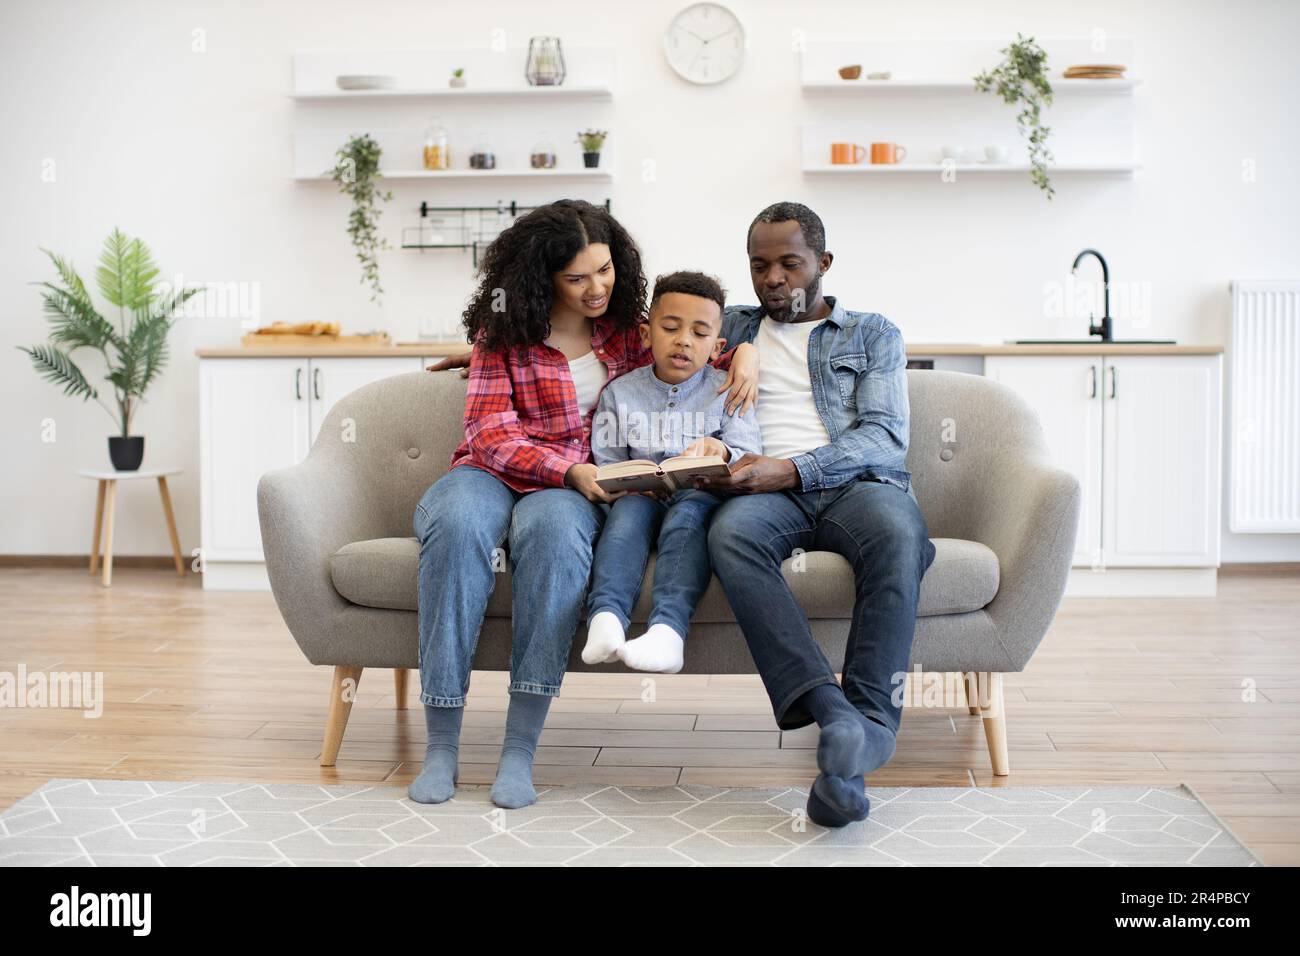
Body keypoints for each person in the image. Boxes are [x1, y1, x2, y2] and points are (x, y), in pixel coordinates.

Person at [695, 201, 937, 829]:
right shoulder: (732, 328)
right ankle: (838, 718)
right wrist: (493, 355)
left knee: (899, 534)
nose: (773, 278)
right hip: (766, 497)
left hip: (856, 485)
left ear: (823, 264)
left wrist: (794, 467)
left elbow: (885, 437)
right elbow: (632, 342)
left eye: (789, 263)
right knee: (729, 536)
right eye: (759, 265)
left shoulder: (872, 332)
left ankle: (871, 719)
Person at [409, 199, 649, 810]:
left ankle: (519, 750)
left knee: (552, 538)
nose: (596, 287)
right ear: (542, 278)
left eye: (605, 269)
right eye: (577, 278)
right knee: (460, 524)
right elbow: (490, 434)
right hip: (495, 470)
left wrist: (744, 351)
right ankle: (441, 746)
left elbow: (693, 347)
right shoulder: (504, 330)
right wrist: (565, 467)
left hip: (575, 488)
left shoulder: (628, 330)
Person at [582, 271, 763, 674]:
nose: (684, 340)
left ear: (717, 347)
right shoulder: (619, 392)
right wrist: (628, 480)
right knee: (626, 517)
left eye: (700, 334)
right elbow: (607, 458)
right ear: (646, 335)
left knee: (687, 517)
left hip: (699, 494)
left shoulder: (726, 386)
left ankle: (668, 630)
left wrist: (723, 448)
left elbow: (751, 451)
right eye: (670, 328)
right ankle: (606, 619)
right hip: (639, 496)